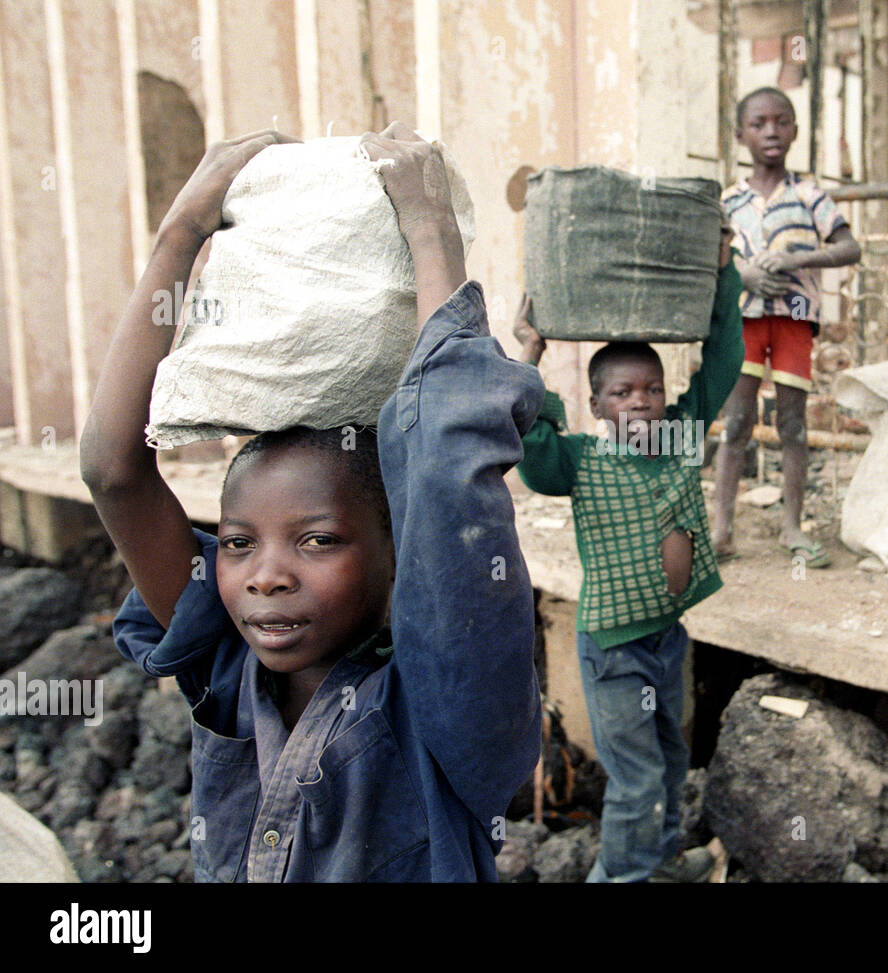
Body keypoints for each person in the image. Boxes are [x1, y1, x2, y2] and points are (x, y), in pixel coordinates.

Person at [79, 123, 545, 882]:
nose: (266, 575)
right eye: (237, 543)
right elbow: (112, 470)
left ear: (400, 557)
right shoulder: (227, 666)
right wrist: (180, 234)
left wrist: (430, 235)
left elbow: (444, 471)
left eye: (318, 540)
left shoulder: (446, 708)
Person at [511, 223, 741, 882]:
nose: (641, 401)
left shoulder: (681, 439)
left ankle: (663, 862)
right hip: (613, 649)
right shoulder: (581, 460)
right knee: (637, 781)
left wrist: (722, 274)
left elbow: (723, 360)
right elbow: (530, 448)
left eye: (652, 389)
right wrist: (529, 354)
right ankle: (619, 877)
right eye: (623, 393)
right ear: (596, 405)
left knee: (671, 762)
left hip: (666, 638)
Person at [711, 85, 862, 569]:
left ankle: (793, 527)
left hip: (795, 320)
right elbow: (711, 255)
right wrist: (743, 271)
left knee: (793, 424)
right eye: (758, 124)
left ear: (794, 130)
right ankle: (721, 529)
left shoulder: (810, 194)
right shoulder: (728, 200)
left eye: (780, 122)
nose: (770, 132)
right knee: (736, 423)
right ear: (741, 135)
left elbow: (848, 247)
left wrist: (802, 257)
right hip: (742, 323)